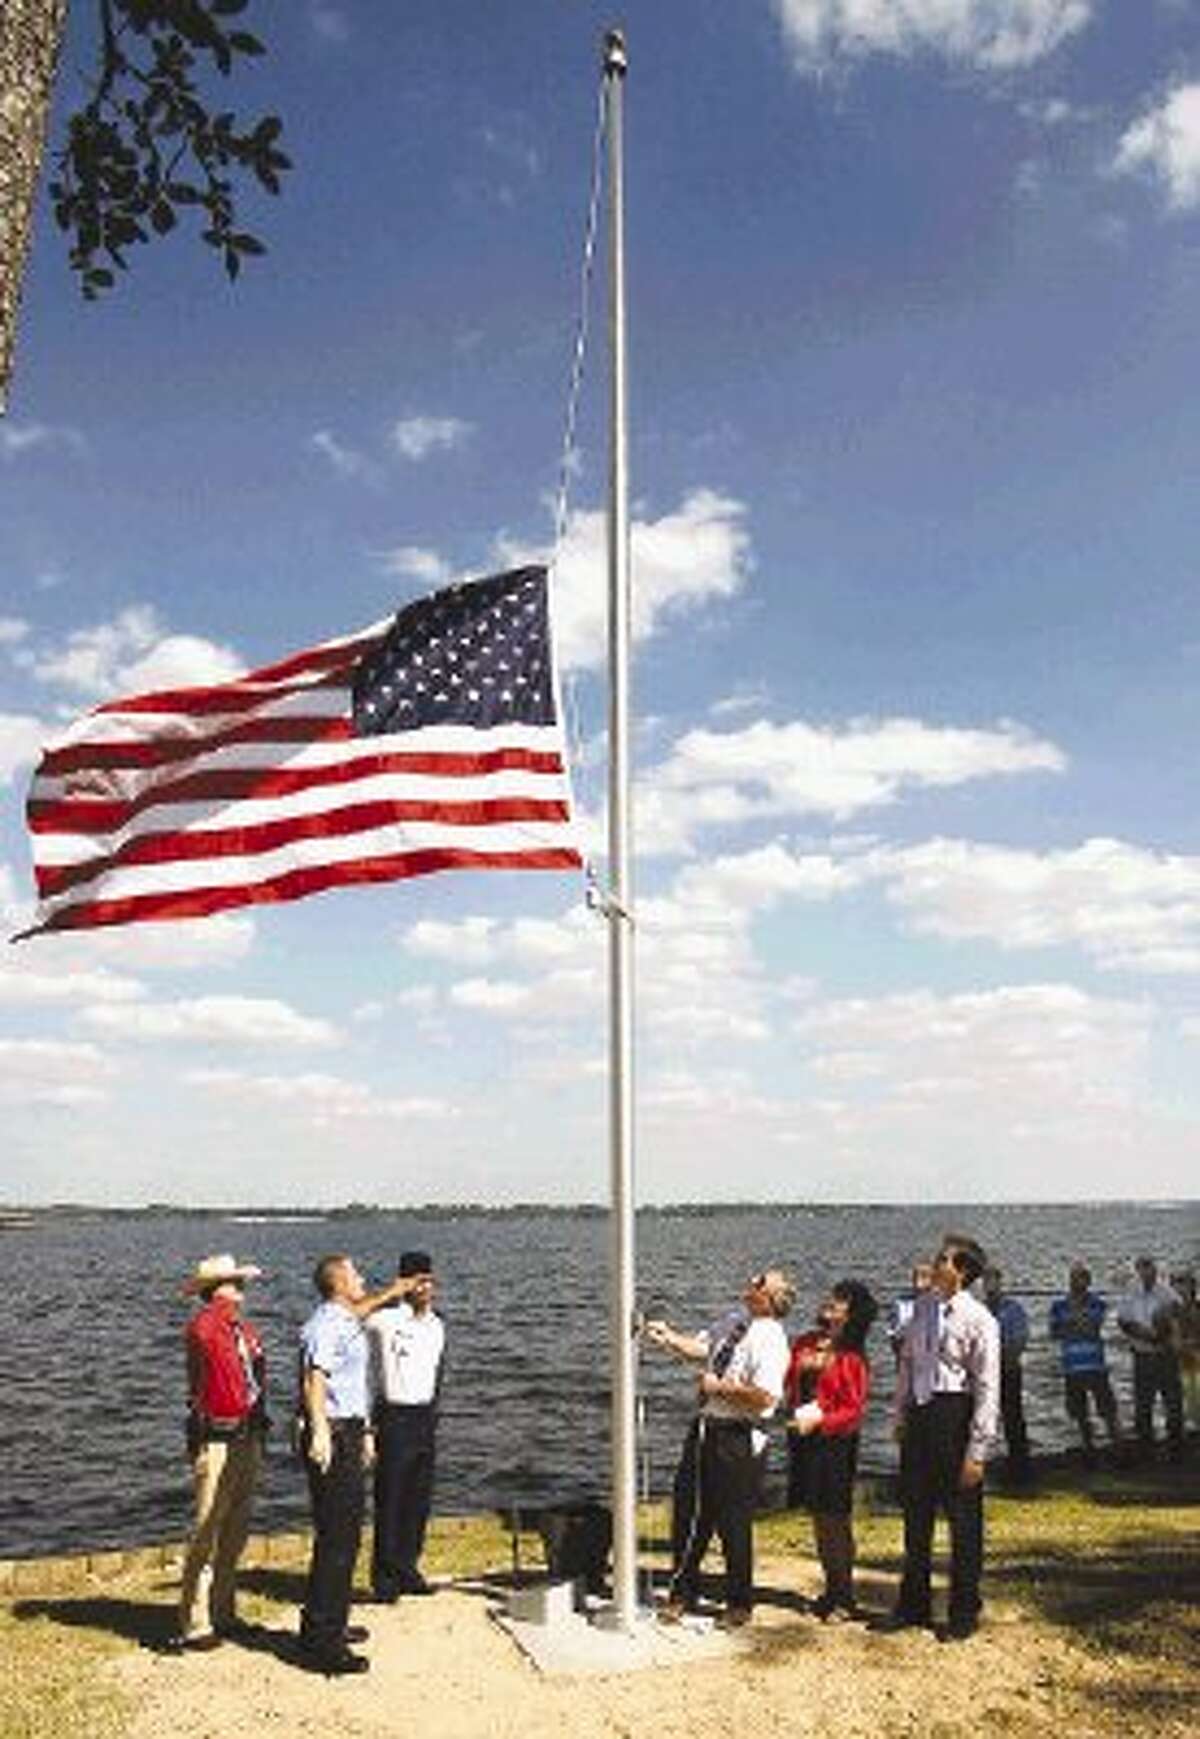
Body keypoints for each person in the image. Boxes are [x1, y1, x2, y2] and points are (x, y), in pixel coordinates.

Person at [644, 1268, 794, 1629]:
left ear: (771, 1299)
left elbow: (765, 1398)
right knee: (689, 1513)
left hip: (739, 1437)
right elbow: (704, 1348)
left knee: (733, 1522)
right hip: (704, 1429)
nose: (751, 1283)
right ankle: (682, 1592)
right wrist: (667, 1338)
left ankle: (738, 1602)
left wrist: (719, 1388)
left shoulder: (772, 1340)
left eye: (760, 1283)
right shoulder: (734, 1321)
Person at [296, 1253, 418, 1675]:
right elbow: (316, 1378)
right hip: (332, 1434)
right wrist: (320, 1431)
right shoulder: (326, 1324)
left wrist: (364, 1431)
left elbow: (363, 1314)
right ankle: (321, 1644)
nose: (363, 1278)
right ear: (338, 1283)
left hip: (348, 1430)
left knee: (345, 1536)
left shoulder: (345, 1318)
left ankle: (327, 1623)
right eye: (355, 1274)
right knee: (337, 1539)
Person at [878, 1232, 999, 1642]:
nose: (935, 1264)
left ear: (962, 1271)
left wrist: (977, 1451)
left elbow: (987, 1387)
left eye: (944, 1260)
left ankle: (964, 1610)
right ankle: (913, 1604)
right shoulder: (920, 1311)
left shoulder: (979, 1319)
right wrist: (899, 1415)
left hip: (955, 1416)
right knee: (916, 1516)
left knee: (963, 1521)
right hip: (921, 1415)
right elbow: (908, 1367)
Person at [175, 1253, 268, 1650]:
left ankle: (223, 1610)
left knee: (235, 1530)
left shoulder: (241, 1330)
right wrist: (219, 1306)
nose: (241, 1290)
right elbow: (205, 1341)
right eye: (234, 1283)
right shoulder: (207, 1326)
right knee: (207, 1529)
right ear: (218, 1290)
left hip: (246, 1436)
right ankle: (195, 1619)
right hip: (216, 1437)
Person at [785, 1278, 877, 1620]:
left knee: (835, 1518)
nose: (830, 1303)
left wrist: (820, 1422)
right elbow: (789, 1381)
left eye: (839, 1301)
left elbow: (854, 1409)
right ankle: (830, 1588)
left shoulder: (853, 1356)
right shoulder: (806, 1341)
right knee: (817, 1517)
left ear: (851, 1314)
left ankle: (844, 1595)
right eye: (833, 1297)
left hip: (835, 1443)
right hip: (804, 1439)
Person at [367, 1249, 445, 1601]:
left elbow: (436, 1373)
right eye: (417, 1280)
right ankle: (384, 1576)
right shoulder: (384, 1321)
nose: (424, 1287)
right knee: (391, 1497)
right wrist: (392, 1292)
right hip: (394, 1416)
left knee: (418, 1498)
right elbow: (350, 1317)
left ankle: (407, 1566)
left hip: (424, 1415)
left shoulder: (437, 1325)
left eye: (428, 1280)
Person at [1047, 1262, 1121, 1464]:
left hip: (1095, 1366)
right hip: (1071, 1368)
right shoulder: (1058, 1306)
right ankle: (1090, 1451)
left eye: (1081, 1277)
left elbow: (1092, 1327)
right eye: (1073, 1277)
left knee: (1108, 1411)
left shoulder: (1097, 1303)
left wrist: (1070, 1323)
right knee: (1079, 1414)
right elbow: (1054, 1333)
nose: (1076, 1281)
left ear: (1088, 1281)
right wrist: (1075, 1323)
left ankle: (1119, 1450)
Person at [1117, 1256, 1184, 1461]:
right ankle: (1146, 1447)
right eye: (1143, 1268)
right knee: (1143, 1404)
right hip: (1142, 1356)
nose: (1148, 1272)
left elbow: (1178, 1310)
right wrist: (1143, 1334)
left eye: (1151, 1268)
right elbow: (1123, 1321)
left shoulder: (1166, 1291)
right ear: (1138, 1271)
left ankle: (1175, 1447)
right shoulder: (1130, 1292)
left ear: (1156, 1270)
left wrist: (1164, 1327)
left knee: (1172, 1403)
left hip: (1165, 1356)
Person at [982, 1264, 1033, 1485]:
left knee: (1013, 1418)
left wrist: (999, 1356)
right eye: (986, 1281)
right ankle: (982, 1464)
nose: (990, 1285)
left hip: (1008, 1370)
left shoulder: (1013, 1309)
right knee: (982, 1420)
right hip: (983, 1375)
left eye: (994, 1280)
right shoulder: (978, 1309)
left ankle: (1020, 1466)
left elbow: (1020, 1340)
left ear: (1000, 1282)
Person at [1167, 1269, 1200, 1433]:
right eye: (1176, 1284)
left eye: (1184, 1284)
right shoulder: (1171, 1310)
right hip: (1182, 1362)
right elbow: (1173, 1339)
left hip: (1194, 1359)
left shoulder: (1196, 1307)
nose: (1180, 1288)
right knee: (1188, 1398)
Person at [887, 1263, 934, 1365]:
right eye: (915, 1276)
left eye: (924, 1276)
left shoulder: (939, 1303)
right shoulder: (901, 1302)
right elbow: (894, 1333)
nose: (917, 1280)